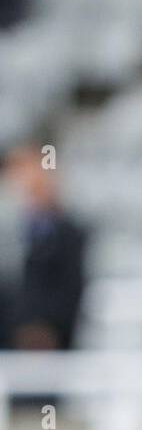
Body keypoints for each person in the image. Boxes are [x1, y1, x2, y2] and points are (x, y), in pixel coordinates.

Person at [2, 145, 87, 350]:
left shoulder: (68, 233)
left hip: (49, 343)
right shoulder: (12, 229)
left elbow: (70, 287)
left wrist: (45, 327)